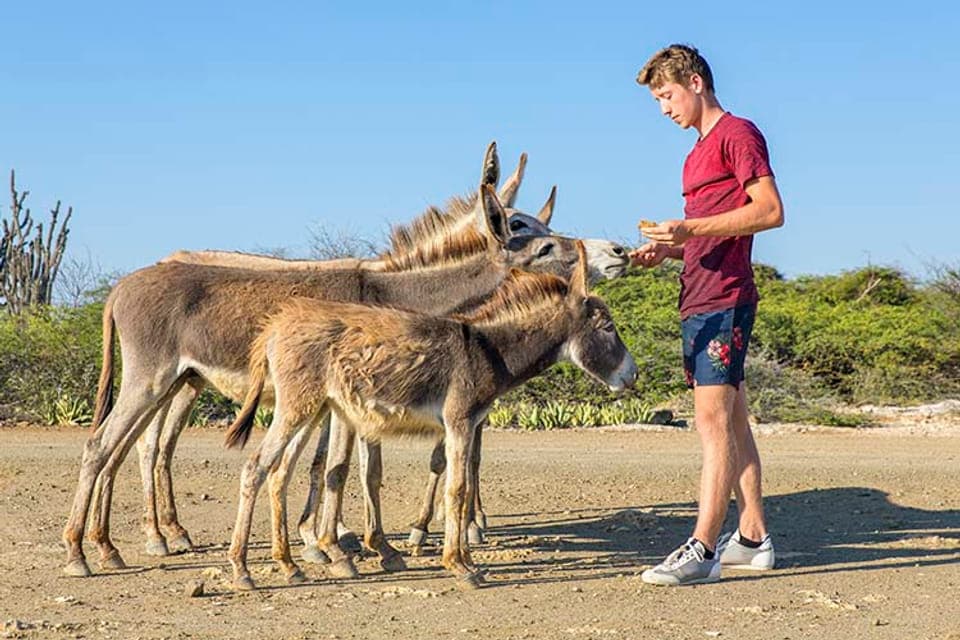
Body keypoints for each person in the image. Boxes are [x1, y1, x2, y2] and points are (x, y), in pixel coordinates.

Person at [630, 44, 784, 586]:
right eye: (656, 100)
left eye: (666, 95)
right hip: (697, 294)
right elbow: (710, 231)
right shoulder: (696, 152)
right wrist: (669, 249)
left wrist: (687, 229)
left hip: (726, 298)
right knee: (734, 420)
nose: (664, 108)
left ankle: (701, 548)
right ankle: (752, 537)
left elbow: (769, 211)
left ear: (695, 83)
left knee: (712, 423)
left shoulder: (737, 134)